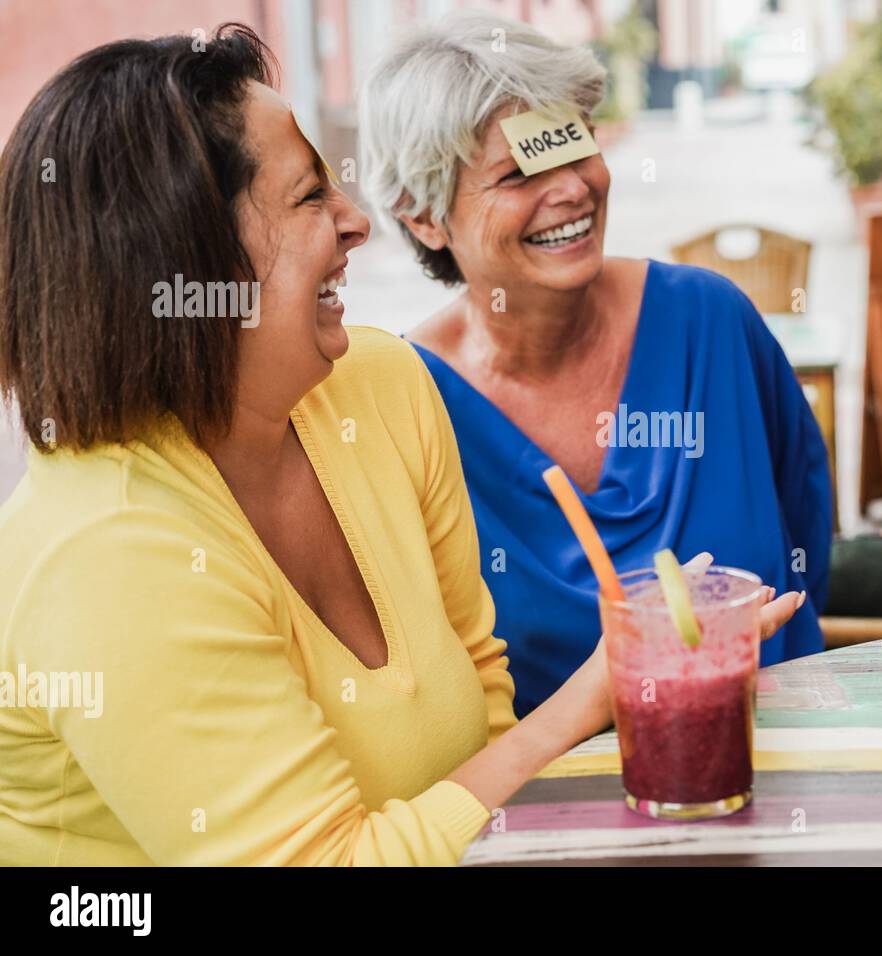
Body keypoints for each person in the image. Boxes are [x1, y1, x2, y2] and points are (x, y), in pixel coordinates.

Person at [0, 25, 799, 866]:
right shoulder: (109, 556)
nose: (357, 222)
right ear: (187, 265)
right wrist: (594, 695)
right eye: (311, 197)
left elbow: (484, 714)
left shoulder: (378, 384)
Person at [358, 12, 832, 715]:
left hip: (778, 755)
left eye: (574, 149)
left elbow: (807, 544)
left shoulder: (712, 320)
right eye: (520, 172)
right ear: (423, 216)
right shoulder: (405, 401)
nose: (572, 190)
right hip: (545, 808)